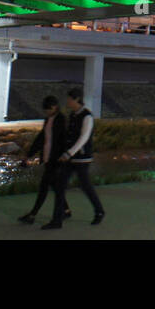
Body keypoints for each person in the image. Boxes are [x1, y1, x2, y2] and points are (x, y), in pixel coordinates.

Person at [18, 96, 74, 228]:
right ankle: (65, 211)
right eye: (46, 110)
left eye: (49, 109)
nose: (47, 112)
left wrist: (65, 157)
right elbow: (41, 138)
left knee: (44, 187)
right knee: (55, 187)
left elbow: (64, 140)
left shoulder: (61, 120)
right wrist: (30, 155)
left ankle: (33, 215)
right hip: (49, 158)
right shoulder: (48, 119)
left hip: (57, 160)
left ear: (55, 106)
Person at [57, 89, 104, 226]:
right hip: (71, 157)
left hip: (82, 158)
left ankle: (99, 211)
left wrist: (69, 153)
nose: (67, 102)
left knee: (85, 186)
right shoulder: (73, 115)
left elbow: (84, 137)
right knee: (60, 184)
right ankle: (64, 211)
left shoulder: (87, 116)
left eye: (69, 99)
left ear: (77, 99)